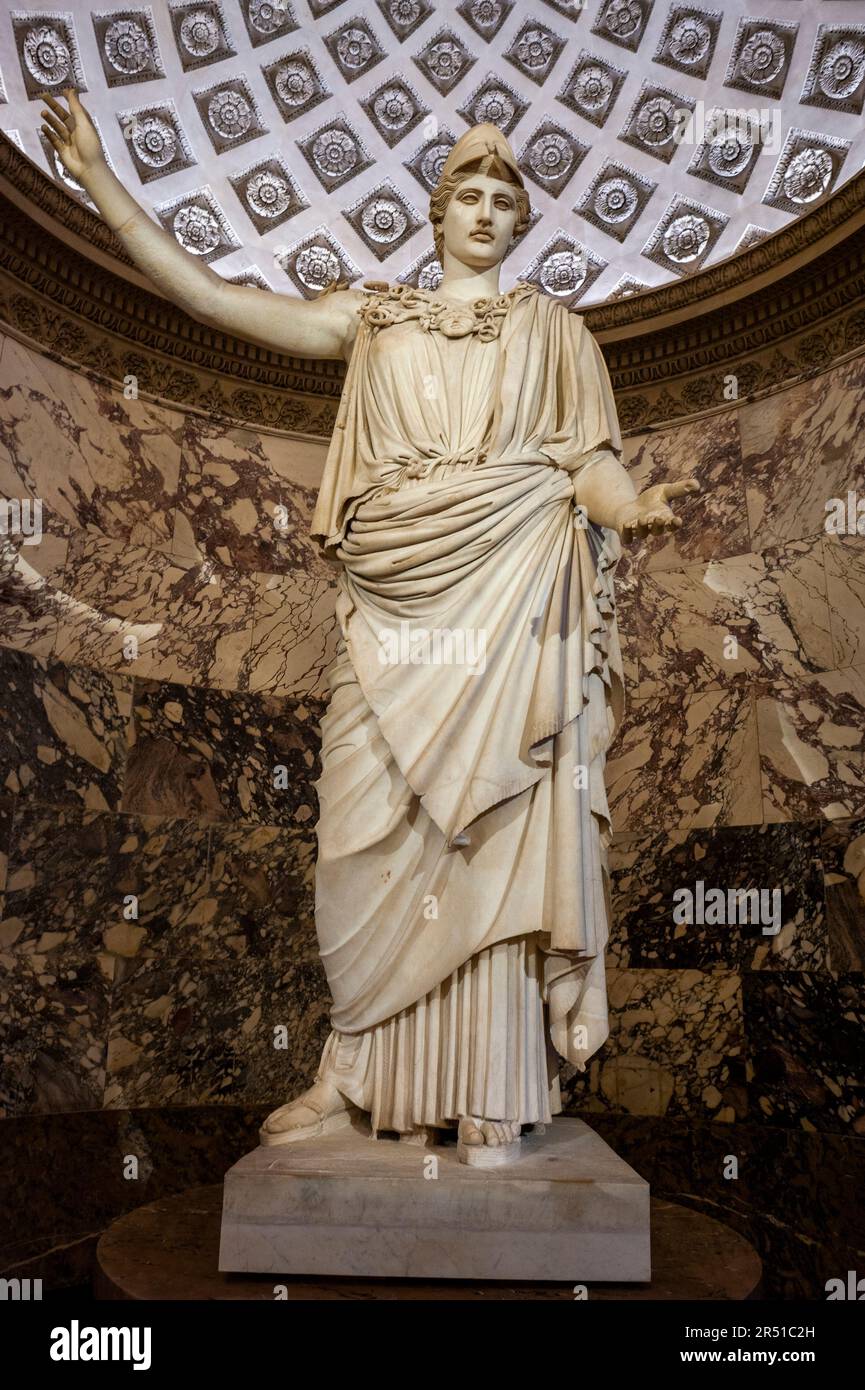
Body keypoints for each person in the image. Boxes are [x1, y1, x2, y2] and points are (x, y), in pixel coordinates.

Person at [41, 93, 697, 1165]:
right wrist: (103, 184)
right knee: (357, 836)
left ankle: (489, 1083)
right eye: (466, 194)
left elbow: (587, 460)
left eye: (503, 200)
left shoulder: (556, 332)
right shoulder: (375, 319)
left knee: (492, 822)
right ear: (436, 214)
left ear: (520, 222)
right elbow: (212, 298)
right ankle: (350, 1069)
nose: (483, 211)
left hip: (509, 593)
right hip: (391, 601)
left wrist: (629, 509)